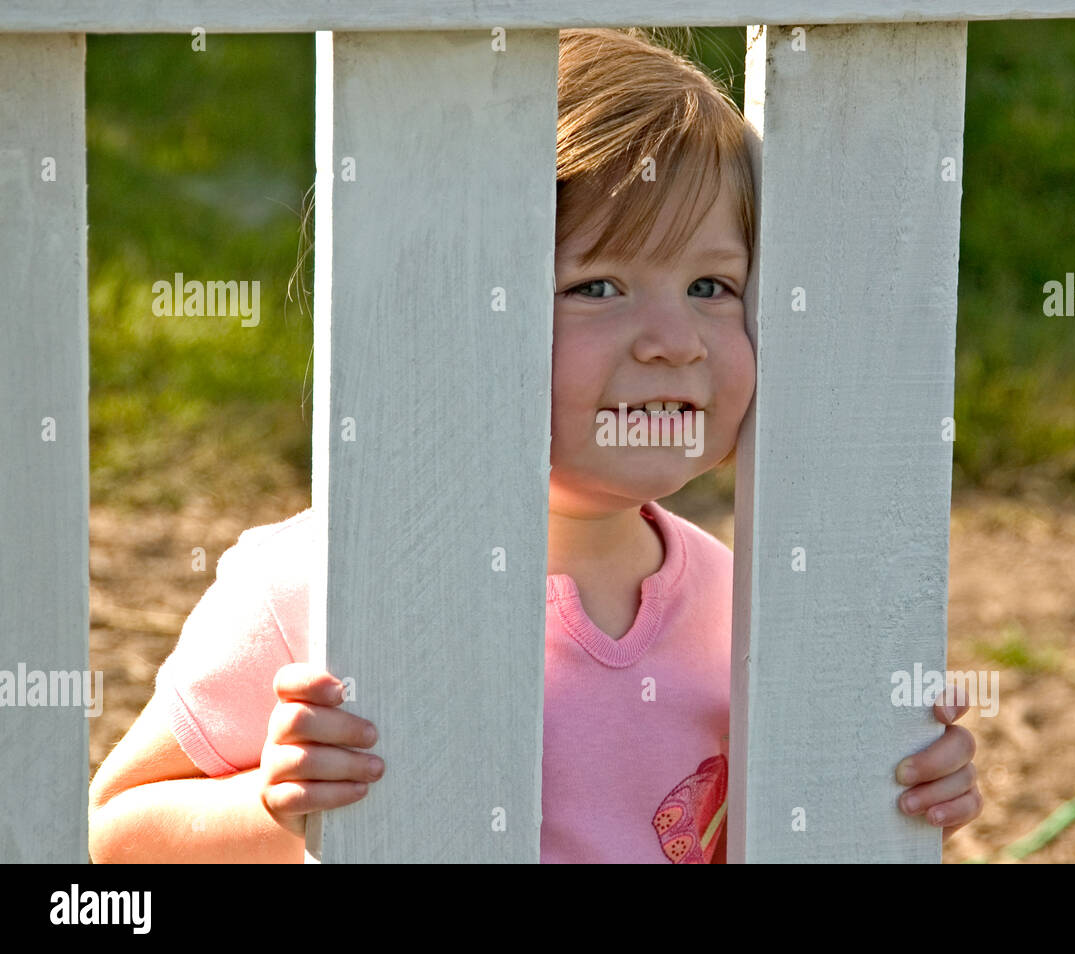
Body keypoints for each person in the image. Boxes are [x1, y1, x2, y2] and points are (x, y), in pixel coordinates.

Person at [88, 27, 981, 864]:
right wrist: (272, 810)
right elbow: (116, 832)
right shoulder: (307, 587)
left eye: (712, 284)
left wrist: (888, 784)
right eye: (597, 287)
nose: (674, 339)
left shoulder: (750, 613)